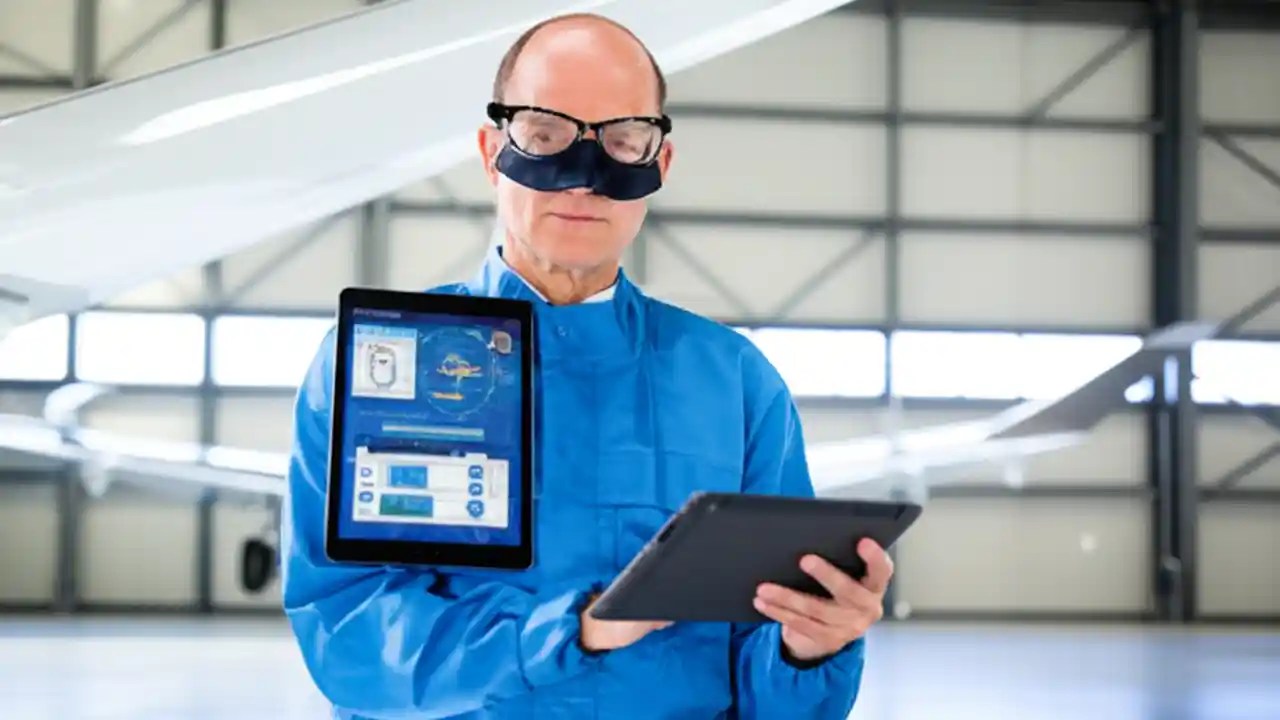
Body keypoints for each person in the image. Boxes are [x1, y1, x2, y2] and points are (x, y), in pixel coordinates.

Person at [281, 12, 894, 719]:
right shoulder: (382, 360)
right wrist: (574, 632)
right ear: (491, 151)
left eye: (622, 141)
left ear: (658, 165)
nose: (582, 180)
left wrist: (810, 645)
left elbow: (766, 673)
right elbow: (350, 631)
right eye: (545, 135)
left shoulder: (734, 383)